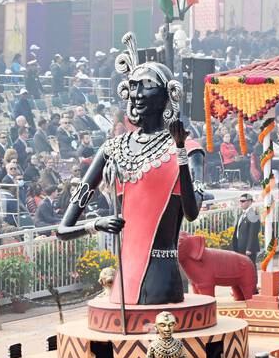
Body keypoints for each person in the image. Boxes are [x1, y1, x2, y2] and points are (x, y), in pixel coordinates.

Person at [58, 36, 198, 305]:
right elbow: (64, 228)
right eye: (133, 86)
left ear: (167, 94)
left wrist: (180, 153)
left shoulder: (187, 148)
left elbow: (191, 213)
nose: (137, 94)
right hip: (124, 282)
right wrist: (96, 224)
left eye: (147, 86)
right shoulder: (112, 149)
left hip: (163, 280)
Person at [231, 192, 261, 264]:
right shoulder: (242, 214)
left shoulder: (253, 214)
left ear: (250, 202)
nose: (241, 203)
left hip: (248, 249)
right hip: (240, 246)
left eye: (243, 201)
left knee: (250, 268)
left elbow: (253, 232)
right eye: (240, 201)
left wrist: (249, 249)